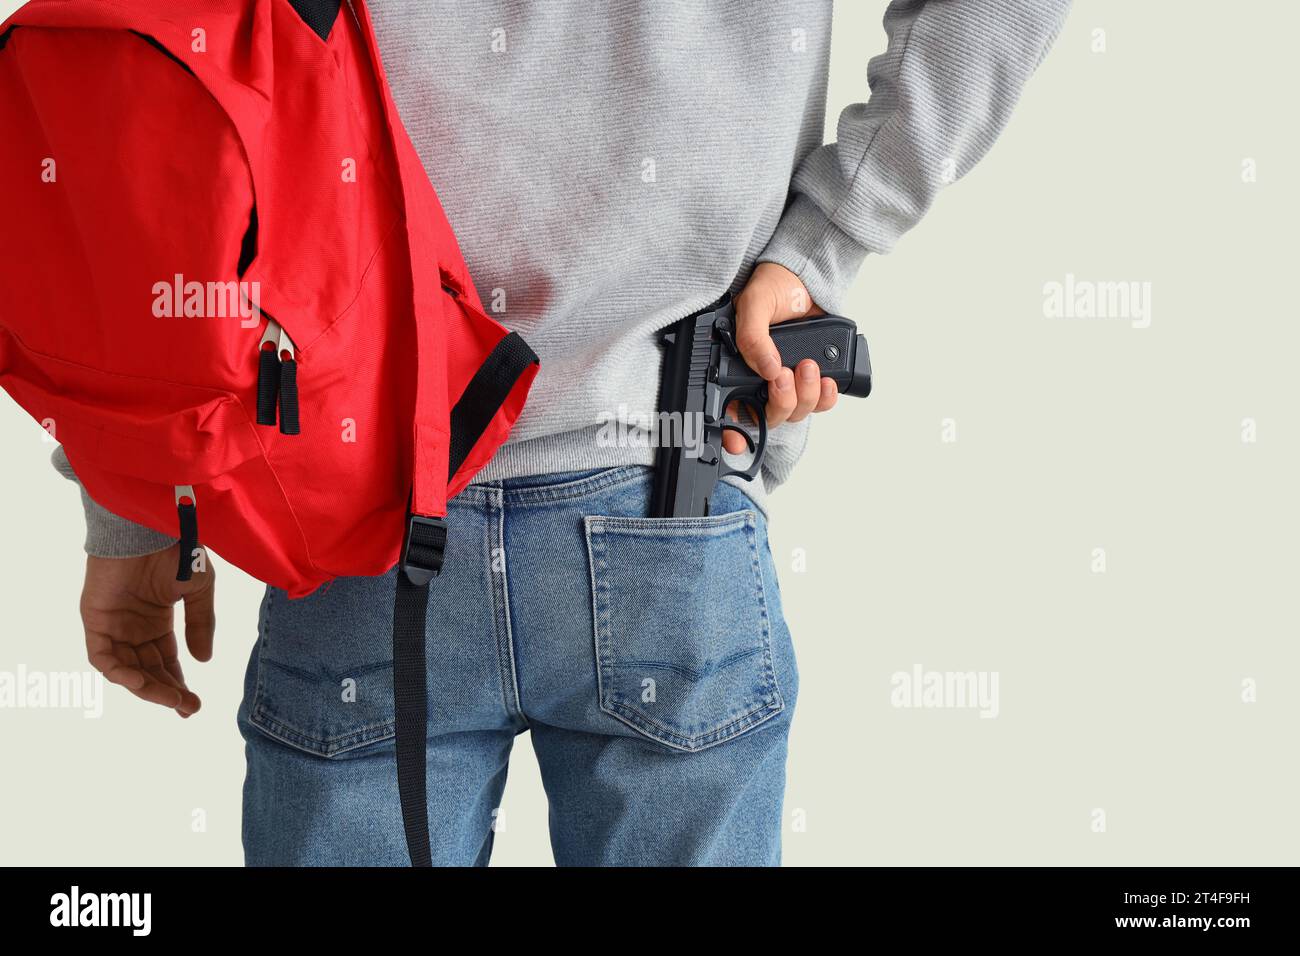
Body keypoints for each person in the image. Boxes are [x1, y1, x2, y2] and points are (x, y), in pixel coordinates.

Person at [57, 0, 1072, 865]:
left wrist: (143, 503)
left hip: (355, 504)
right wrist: (827, 242)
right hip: (669, 480)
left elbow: (146, 107)